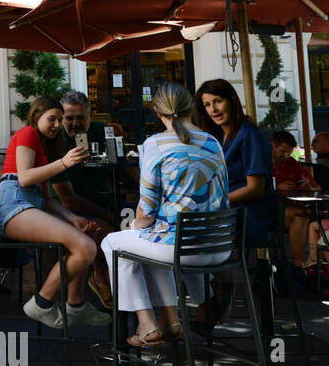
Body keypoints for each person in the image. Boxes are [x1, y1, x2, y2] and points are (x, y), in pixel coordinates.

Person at [100, 83, 230, 346]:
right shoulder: (213, 141)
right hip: (220, 246)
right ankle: (170, 321)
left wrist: (137, 224)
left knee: (113, 242)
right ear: (191, 108)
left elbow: (146, 211)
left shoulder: (154, 144)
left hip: (181, 248)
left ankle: (147, 324)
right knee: (149, 244)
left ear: (157, 112)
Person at [0, 95, 109, 329]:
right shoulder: (27, 133)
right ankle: (41, 303)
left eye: (60, 119)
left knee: (87, 238)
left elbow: (46, 200)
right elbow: (24, 178)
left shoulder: (44, 147)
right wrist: (64, 163)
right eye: (52, 119)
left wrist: (72, 217)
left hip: (30, 204)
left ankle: (75, 306)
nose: (57, 125)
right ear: (36, 117)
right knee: (86, 247)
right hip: (13, 204)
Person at [50, 90, 115, 305]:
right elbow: (68, 200)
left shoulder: (100, 131)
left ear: (90, 117)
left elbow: (119, 163)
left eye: (81, 117)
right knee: (97, 230)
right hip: (65, 211)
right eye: (69, 118)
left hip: (101, 203)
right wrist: (109, 215)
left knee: (138, 228)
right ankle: (101, 280)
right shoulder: (55, 144)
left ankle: (130, 285)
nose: (75, 123)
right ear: (61, 118)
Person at [195, 79, 276, 247]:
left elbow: (255, 189)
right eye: (207, 105)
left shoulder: (249, 134)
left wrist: (214, 205)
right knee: (180, 229)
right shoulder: (218, 138)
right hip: (227, 214)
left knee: (187, 233)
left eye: (218, 101)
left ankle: (212, 273)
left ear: (232, 100)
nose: (213, 109)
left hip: (250, 218)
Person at [271, 130, 322, 268]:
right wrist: (276, 188)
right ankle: (299, 265)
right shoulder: (261, 163)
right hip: (268, 209)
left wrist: (308, 186)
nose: (287, 155)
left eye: (289, 152)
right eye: (283, 151)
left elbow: (316, 187)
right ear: (272, 146)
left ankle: (306, 265)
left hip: (292, 207)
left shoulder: (291, 163)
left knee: (305, 214)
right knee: (301, 214)